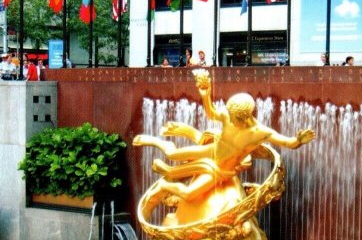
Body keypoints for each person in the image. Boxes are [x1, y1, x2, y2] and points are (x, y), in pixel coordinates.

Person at [133, 69, 315, 214]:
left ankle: (165, 185)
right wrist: (205, 95)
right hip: (211, 151)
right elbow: (211, 112)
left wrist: (298, 140)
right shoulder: (228, 116)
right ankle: (158, 142)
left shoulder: (260, 133)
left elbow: (287, 143)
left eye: (234, 117)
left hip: (221, 169)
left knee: (188, 194)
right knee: (171, 153)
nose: (229, 118)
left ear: (245, 117)